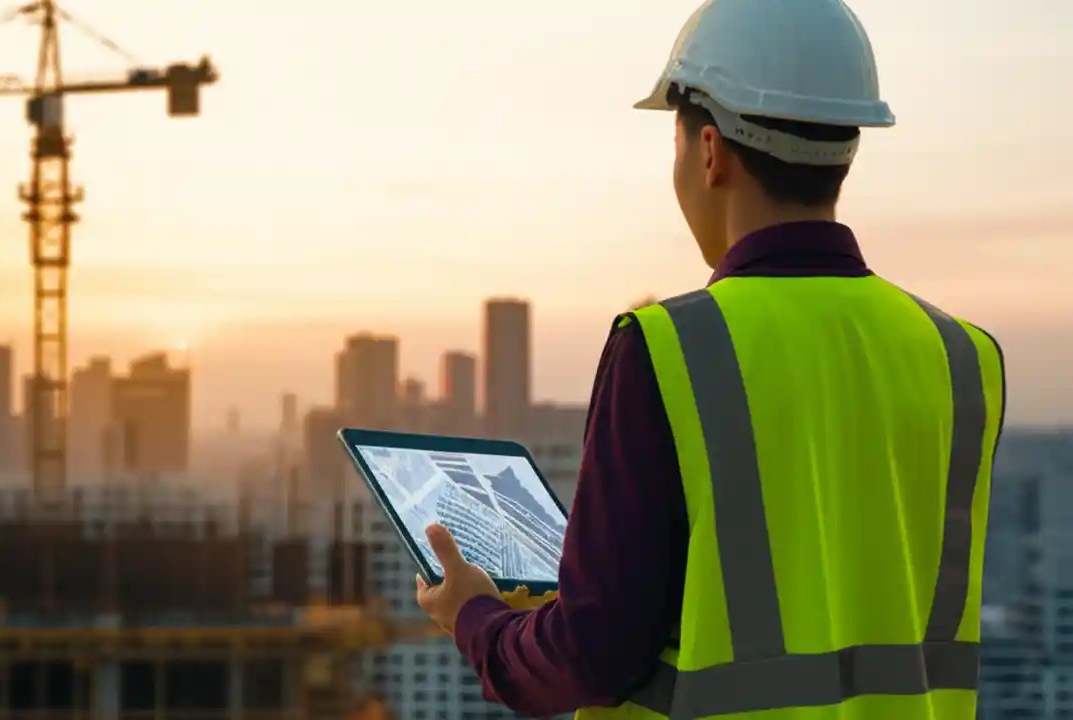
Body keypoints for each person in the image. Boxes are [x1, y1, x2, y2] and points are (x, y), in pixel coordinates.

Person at [414, 0, 1007, 718]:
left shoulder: (669, 350)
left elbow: (591, 657)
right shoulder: (963, 358)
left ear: (708, 152)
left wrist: (475, 619)